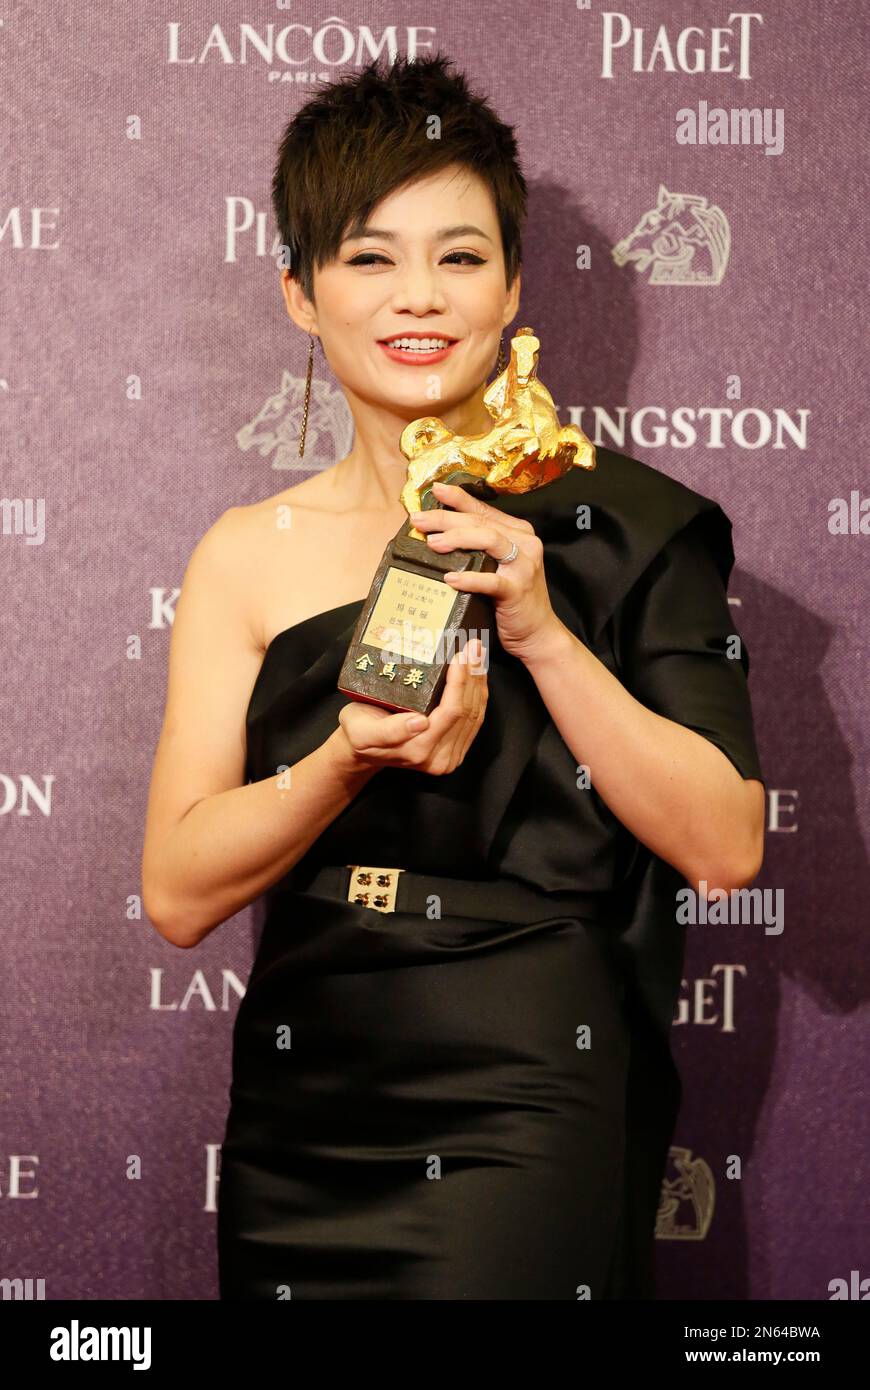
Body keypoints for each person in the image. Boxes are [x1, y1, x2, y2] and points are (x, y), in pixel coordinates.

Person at [141, 53, 766, 1300]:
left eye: (460, 255)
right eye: (369, 257)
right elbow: (177, 889)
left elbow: (725, 843)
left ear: (515, 285)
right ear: (300, 296)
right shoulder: (243, 553)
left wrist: (539, 626)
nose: (416, 295)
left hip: (525, 1085)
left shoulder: (631, 525)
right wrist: (339, 763)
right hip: (303, 1099)